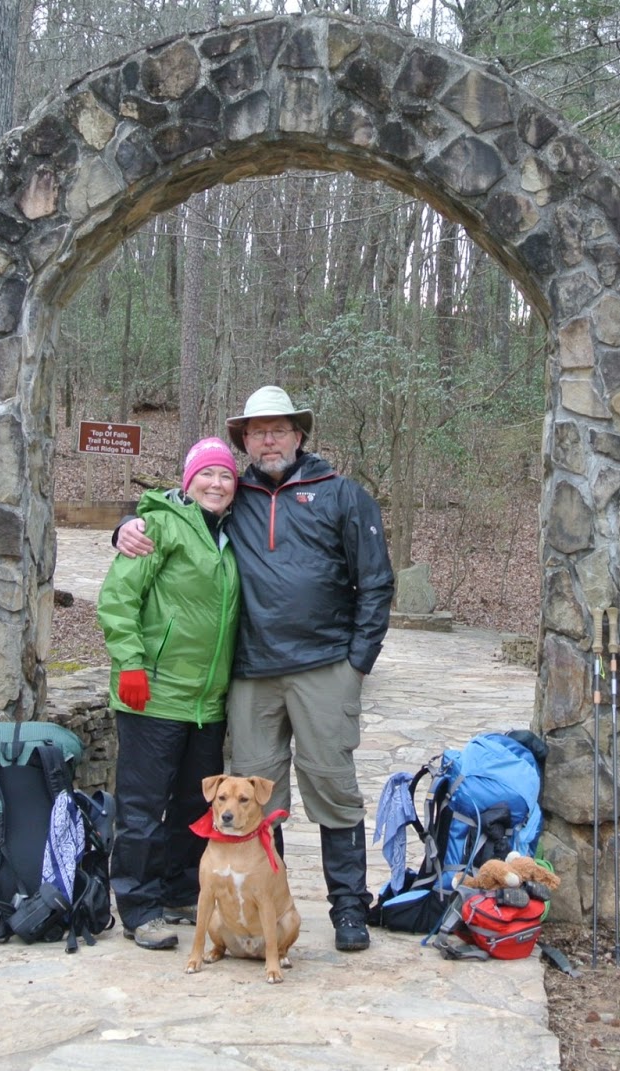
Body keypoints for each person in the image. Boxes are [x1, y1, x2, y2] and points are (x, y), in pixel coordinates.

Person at [116, 386, 395, 951]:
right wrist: (124, 526)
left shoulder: (342, 495)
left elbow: (376, 583)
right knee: (256, 802)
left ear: (299, 435)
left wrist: (357, 664)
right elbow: (173, 510)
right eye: (257, 432)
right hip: (250, 674)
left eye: (279, 430)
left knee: (333, 786)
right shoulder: (232, 495)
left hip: (324, 667)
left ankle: (348, 909)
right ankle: (269, 906)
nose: (269, 441)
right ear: (245, 440)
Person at [98, 436, 241, 951]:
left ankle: (182, 892)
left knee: (191, 808)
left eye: (225, 475)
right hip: (154, 694)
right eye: (207, 474)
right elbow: (119, 597)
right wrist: (130, 664)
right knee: (142, 809)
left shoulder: (230, 535)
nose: (216, 484)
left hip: (207, 703)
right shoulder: (158, 526)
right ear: (188, 480)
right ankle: (139, 908)